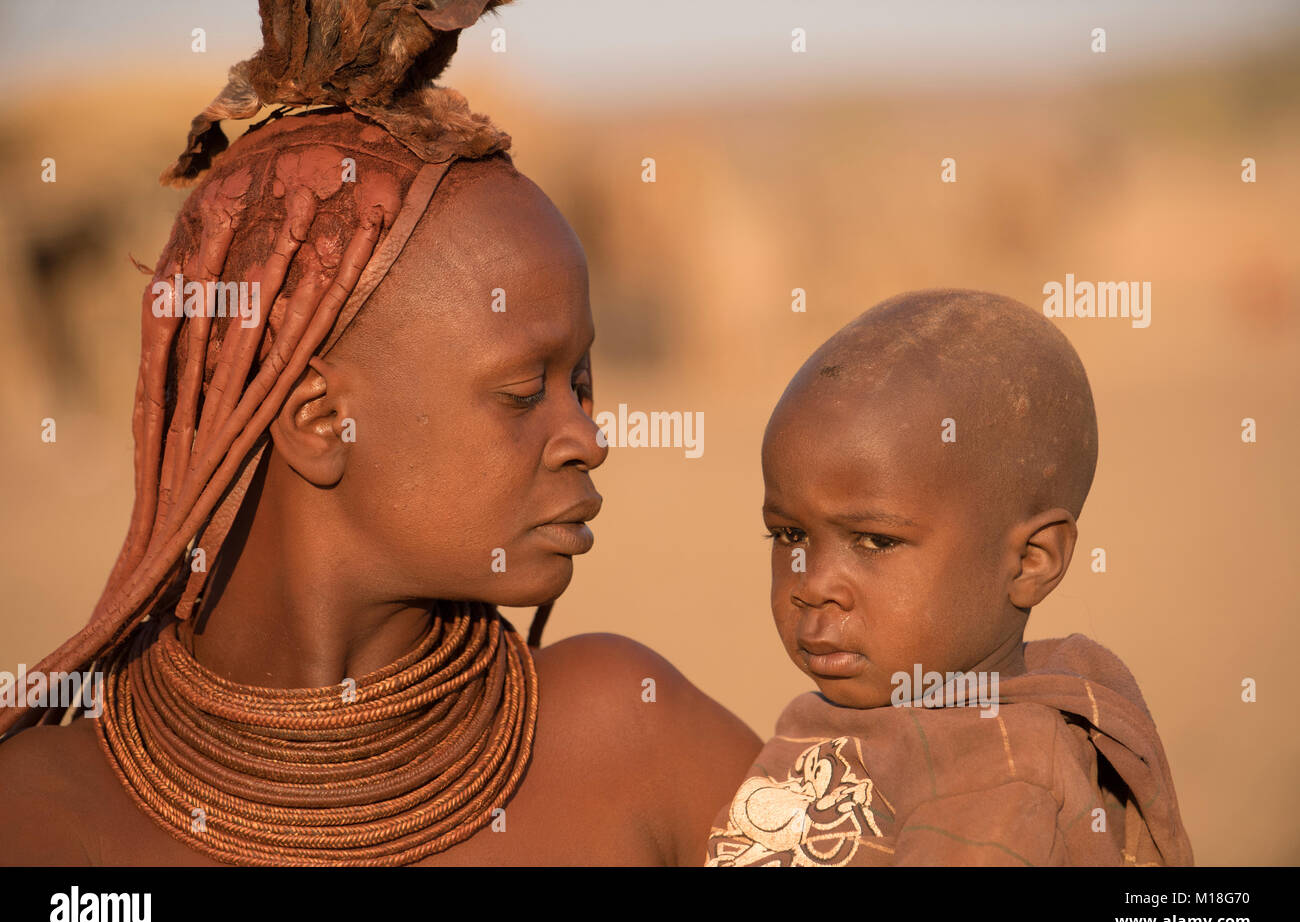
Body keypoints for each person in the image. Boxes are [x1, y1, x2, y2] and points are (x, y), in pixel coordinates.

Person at [0, 0, 759, 866]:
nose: (589, 436)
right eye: (523, 392)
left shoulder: (630, 739)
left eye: (581, 382)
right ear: (321, 418)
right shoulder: (41, 821)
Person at [705, 289, 1194, 866]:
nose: (813, 584)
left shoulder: (999, 780)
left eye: (877, 541)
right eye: (789, 535)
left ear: (1032, 561)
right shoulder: (868, 718)